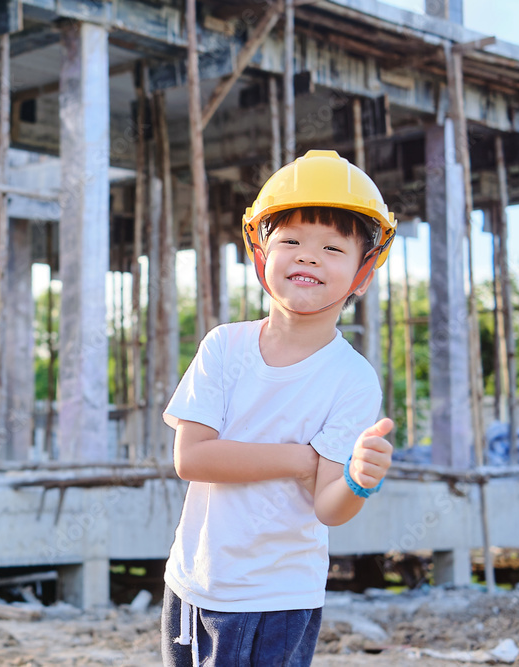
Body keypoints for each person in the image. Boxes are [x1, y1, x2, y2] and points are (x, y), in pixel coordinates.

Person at [160, 150, 398, 666]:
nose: (308, 257)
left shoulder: (353, 379)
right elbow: (192, 458)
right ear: (260, 253)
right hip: (193, 583)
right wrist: (302, 459)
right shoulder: (224, 348)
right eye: (290, 241)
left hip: (280, 598)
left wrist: (357, 481)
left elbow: (329, 507)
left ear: (364, 272)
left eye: (332, 247)